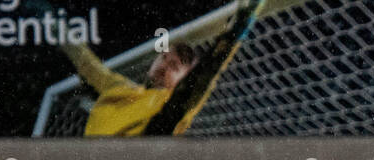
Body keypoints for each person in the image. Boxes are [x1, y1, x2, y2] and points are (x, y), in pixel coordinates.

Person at [54, 0, 263, 136]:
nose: (164, 65)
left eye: (174, 66)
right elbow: (87, 63)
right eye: (164, 58)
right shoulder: (120, 87)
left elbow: (201, 80)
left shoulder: (168, 109)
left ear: (183, 80)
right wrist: (54, 26)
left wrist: (233, 35)